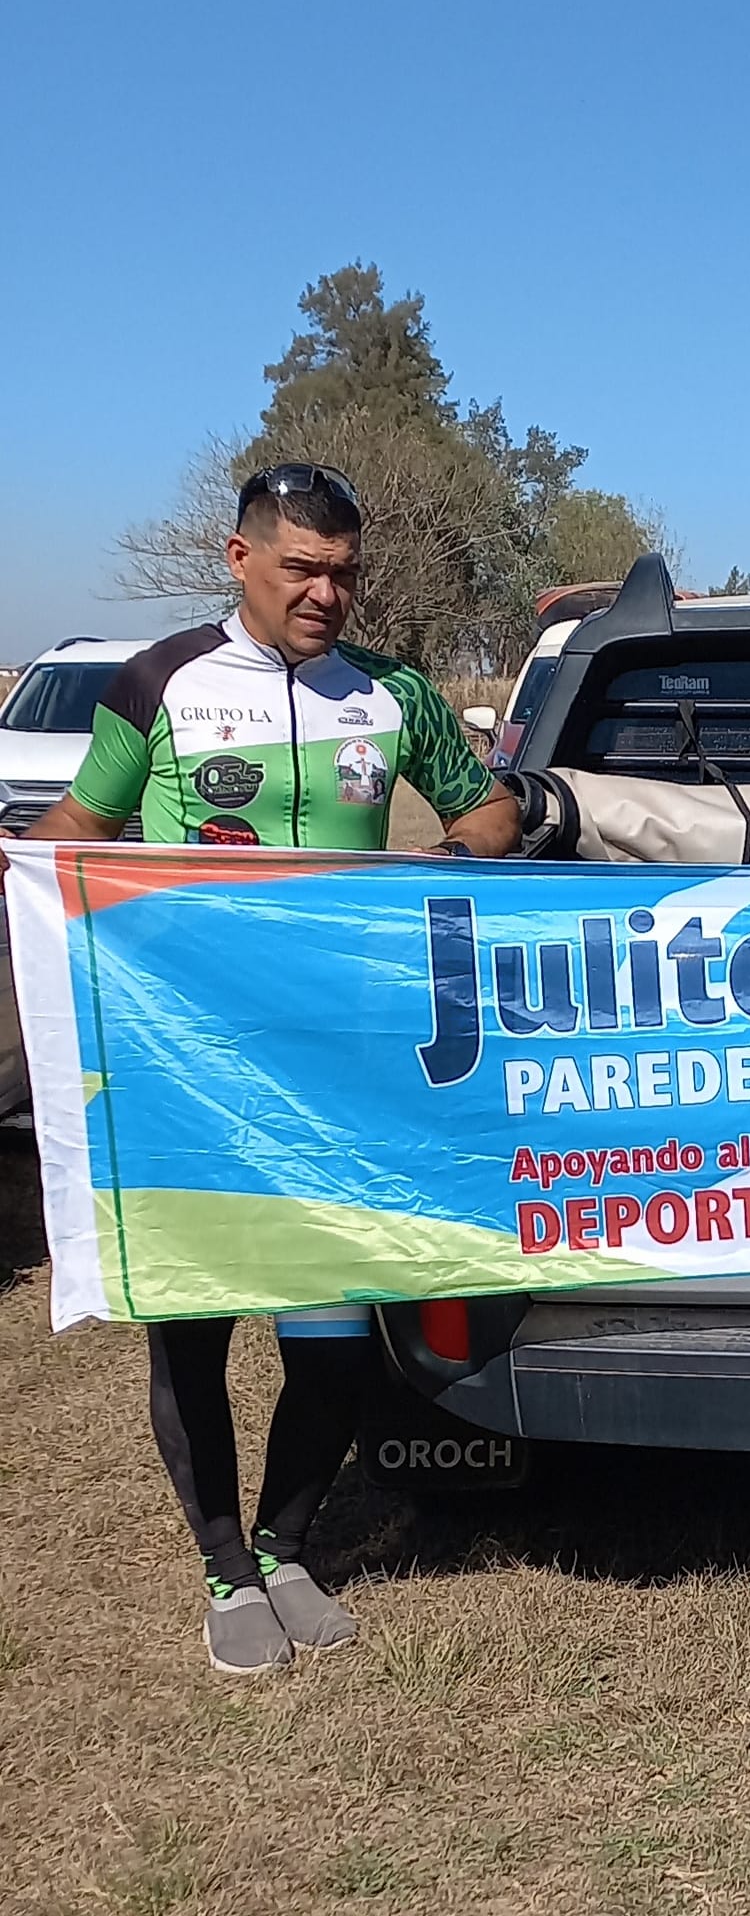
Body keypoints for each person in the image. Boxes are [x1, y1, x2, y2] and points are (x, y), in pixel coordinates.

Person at [11, 462, 522, 1673]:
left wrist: (438, 851)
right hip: (185, 1058)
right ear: (239, 558)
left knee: (335, 1324)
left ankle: (287, 1546)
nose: (325, 592)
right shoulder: (163, 681)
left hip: (339, 1063)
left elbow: (495, 810)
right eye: (301, 566)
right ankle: (223, 1568)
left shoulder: (389, 690)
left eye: (343, 571)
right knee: (194, 1322)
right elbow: (74, 836)